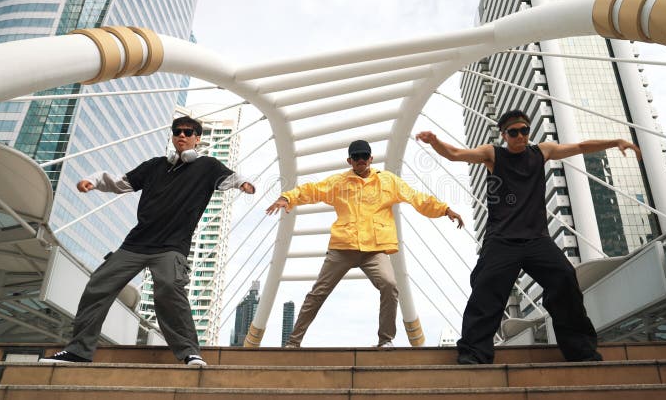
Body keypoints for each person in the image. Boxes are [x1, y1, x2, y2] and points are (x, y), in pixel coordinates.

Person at [416, 109, 642, 364]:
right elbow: (456, 154)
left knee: (565, 279)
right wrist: (434, 141)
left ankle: (582, 352)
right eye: (514, 132)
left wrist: (614, 142)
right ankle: (474, 353)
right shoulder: (493, 154)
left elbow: (579, 146)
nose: (521, 136)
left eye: (525, 131)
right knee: (486, 289)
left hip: (537, 240)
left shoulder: (541, 151)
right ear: (504, 135)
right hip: (502, 239)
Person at [40, 116, 255, 366]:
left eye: (188, 132)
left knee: (168, 288)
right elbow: (120, 183)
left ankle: (189, 352)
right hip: (135, 244)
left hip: (171, 246)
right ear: (173, 137)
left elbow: (231, 178)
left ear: (198, 138)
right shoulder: (154, 166)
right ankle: (78, 351)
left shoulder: (207, 166)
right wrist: (94, 181)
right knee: (97, 286)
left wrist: (245, 184)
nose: (182, 136)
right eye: (177, 132)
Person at [266, 140, 464, 348]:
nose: (360, 160)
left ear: (371, 158)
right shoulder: (338, 182)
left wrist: (444, 210)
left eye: (364, 156)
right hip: (343, 247)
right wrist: (287, 198)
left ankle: (385, 341)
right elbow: (311, 190)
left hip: (375, 249)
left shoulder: (388, 182)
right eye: (356, 157)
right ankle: (293, 343)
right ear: (349, 160)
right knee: (317, 293)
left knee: (389, 285)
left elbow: (417, 198)